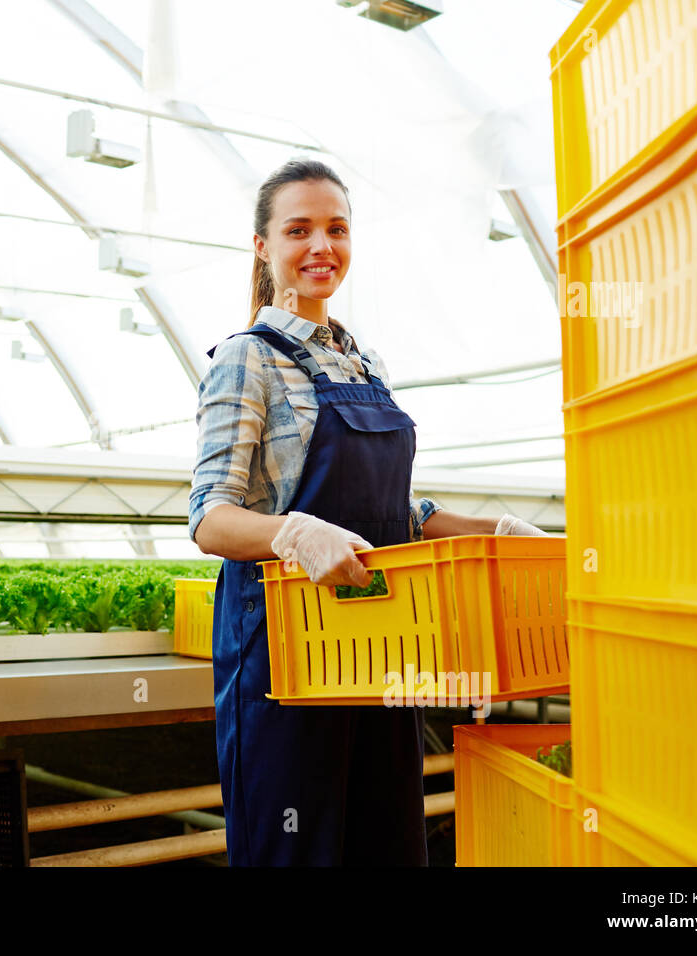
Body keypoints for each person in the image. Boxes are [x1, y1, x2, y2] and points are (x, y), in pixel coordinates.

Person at [189, 159, 546, 866]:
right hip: (285, 659)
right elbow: (210, 518)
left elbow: (391, 512)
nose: (322, 246)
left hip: (382, 652)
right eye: (299, 230)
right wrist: (293, 532)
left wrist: (494, 532)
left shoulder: (365, 364)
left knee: (387, 844)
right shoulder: (245, 360)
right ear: (263, 247)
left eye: (337, 229)